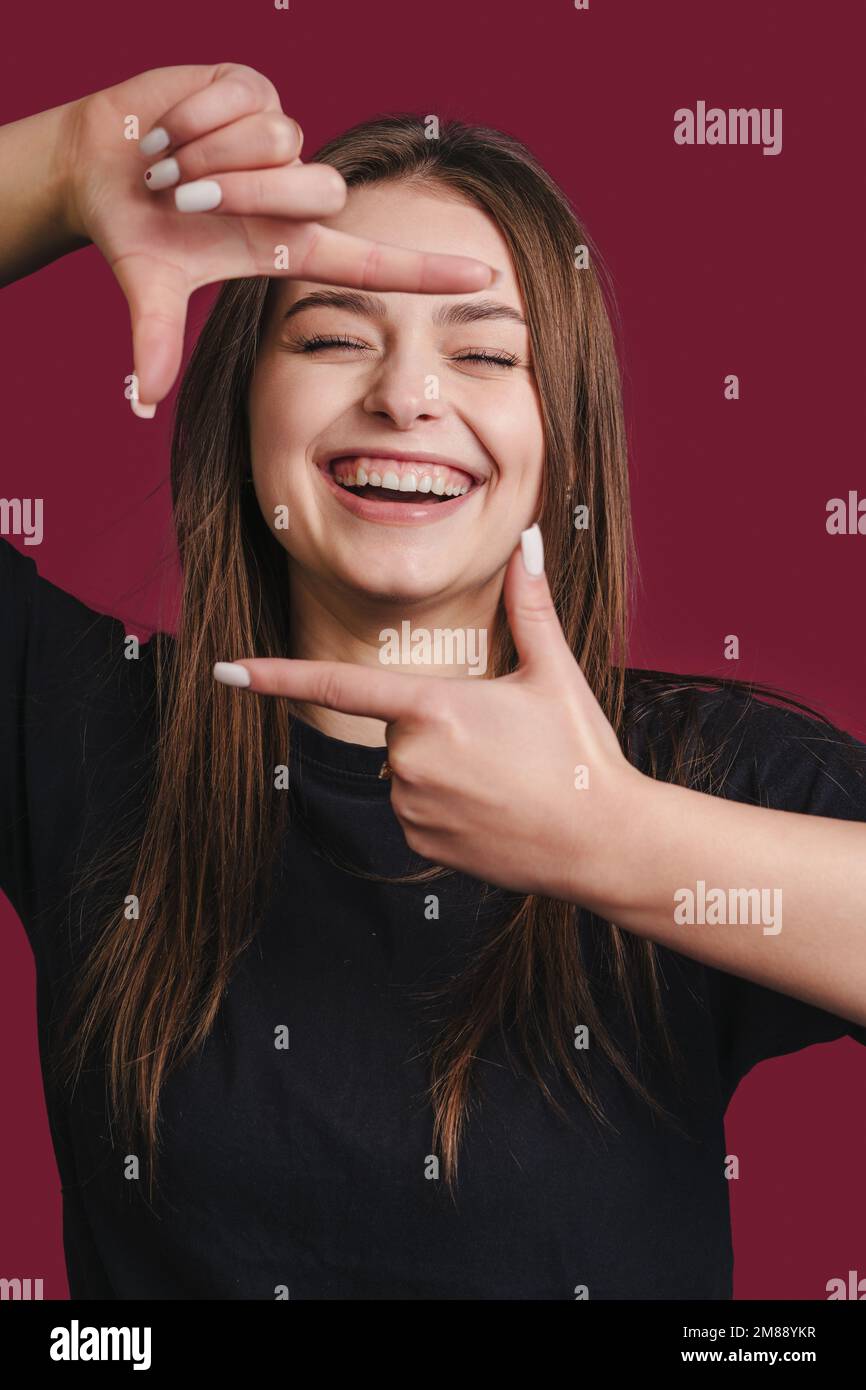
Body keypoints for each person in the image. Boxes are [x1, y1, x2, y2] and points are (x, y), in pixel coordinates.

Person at [1, 62, 864, 1301]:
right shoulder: (82, 727)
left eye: (483, 355)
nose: (404, 395)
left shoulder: (691, 771)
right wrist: (62, 166)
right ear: (240, 402)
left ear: (559, 435)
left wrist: (617, 836)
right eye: (333, 334)